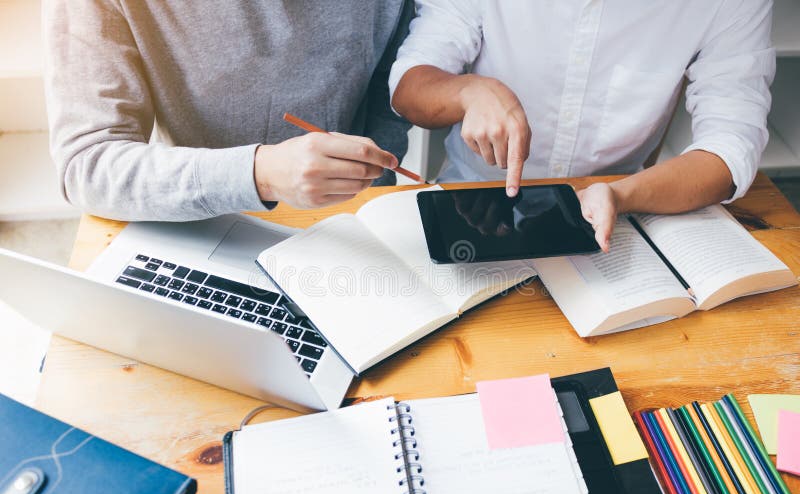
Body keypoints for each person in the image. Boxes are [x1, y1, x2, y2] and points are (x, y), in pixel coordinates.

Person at [390, 1, 775, 251]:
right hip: (472, 205)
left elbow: (731, 146)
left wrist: (620, 195)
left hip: (616, 222)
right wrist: (466, 91)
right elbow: (408, 86)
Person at [44, 1, 413, 221]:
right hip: (191, 216)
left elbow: (392, 96)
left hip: (350, 221)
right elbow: (86, 164)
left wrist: (368, 183)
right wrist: (260, 174)